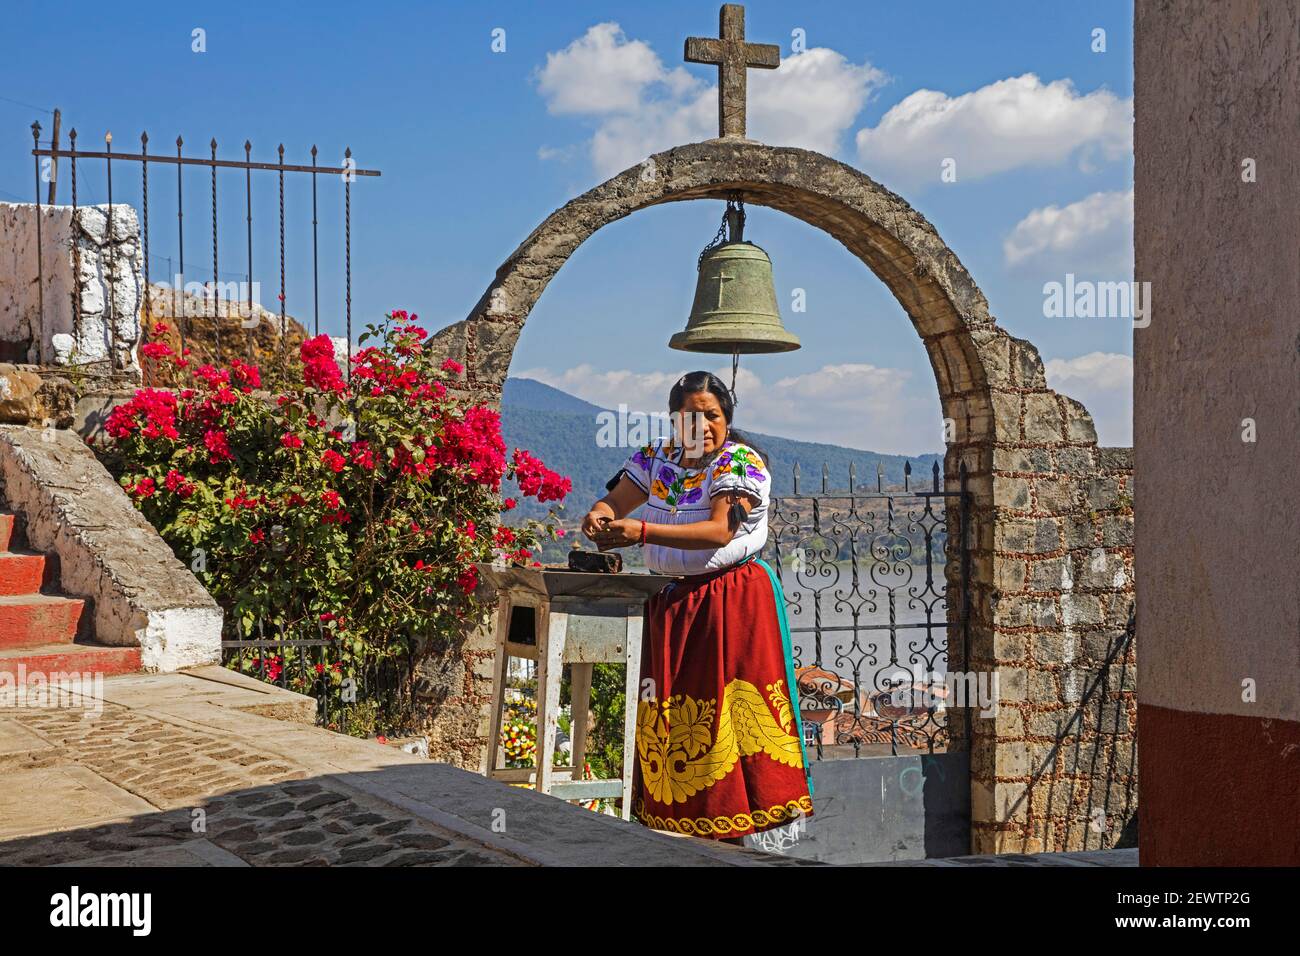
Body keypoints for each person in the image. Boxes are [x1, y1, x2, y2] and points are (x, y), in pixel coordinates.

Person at [583, 370, 813, 844]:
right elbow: (615, 502)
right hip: (673, 604)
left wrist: (640, 533)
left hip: (730, 601)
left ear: (726, 418)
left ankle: (734, 836)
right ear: (674, 420)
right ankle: (681, 834)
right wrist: (601, 517)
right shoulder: (655, 460)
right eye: (691, 416)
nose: (703, 425)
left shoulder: (739, 462)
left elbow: (718, 531)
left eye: (712, 415)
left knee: (726, 721)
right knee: (675, 722)